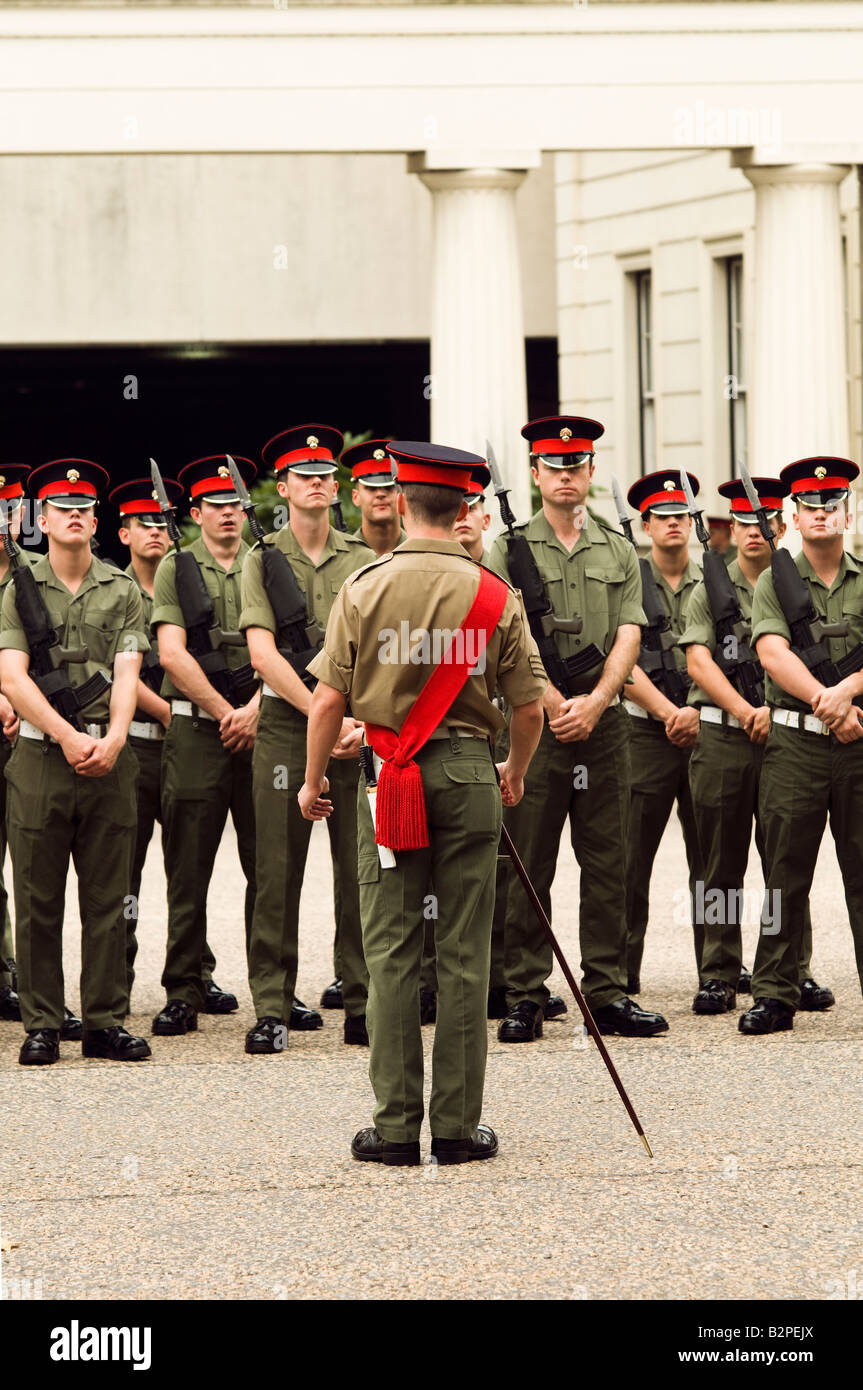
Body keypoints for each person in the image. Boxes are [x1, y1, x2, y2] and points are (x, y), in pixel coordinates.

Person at [299, 440, 546, 1164]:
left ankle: (397, 1127)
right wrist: (514, 770)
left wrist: (312, 781)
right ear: (466, 508)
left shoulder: (364, 586)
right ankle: (459, 1130)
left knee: (390, 953)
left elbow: (325, 702)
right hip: (470, 774)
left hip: (387, 778)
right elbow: (527, 708)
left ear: (402, 502)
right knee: (467, 953)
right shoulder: (496, 595)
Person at [489, 416, 666, 1040]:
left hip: (607, 726)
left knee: (610, 860)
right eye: (554, 467)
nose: (567, 476)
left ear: (590, 472)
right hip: (535, 729)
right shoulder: (507, 548)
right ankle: (526, 994)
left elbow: (629, 632)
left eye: (577, 466)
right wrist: (558, 701)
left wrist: (595, 701)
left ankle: (607, 992)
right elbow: (503, 638)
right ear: (535, 475)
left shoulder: (618, 548)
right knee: (528, 861)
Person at [0, 459, 151, 1065]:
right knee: (38, 896)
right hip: (40, 756)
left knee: (109, 897)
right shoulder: (17, 589)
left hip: (109, 757)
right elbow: (11, 676)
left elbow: (128, 671)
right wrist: (66, 735)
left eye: (86, 510)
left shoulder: (124, 590)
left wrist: (115, 736)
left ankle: (104, 1021)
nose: (76, 518)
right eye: (63, 510)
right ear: (42, 519)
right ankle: (41, 1021)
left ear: (97, 520)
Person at [240, 425, 373, 1053]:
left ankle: (362, 1000)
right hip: (290, 730)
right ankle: (271, 1005)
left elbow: (381, 650)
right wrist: (326, 712)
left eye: (325, 473)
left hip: (354, 731)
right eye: (303, 474)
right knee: (276, 869)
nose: (316, 482)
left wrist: (357, 724)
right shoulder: (260, 557)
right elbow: (262, 654)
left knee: (360, 869)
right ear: (285, 488)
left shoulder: (364, 557)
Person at [680, 476, 834, 1015]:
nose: (755, 532)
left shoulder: (794, 584)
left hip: (785, 736)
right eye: (745, 523)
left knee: (785, 860)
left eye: (765, 522)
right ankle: (719, 971)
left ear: (780, 524)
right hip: (725, 733)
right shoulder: (709, 586)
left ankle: (793, 967)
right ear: (733, 528)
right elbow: (696, 659)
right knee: (718, 860)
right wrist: (747, 711)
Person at [742, 456, 863, 1034]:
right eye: (811, 507)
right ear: (794, 515)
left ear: (847, 511)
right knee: (784, 870)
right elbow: (771, 652)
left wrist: (846, 693)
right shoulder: (773, 578)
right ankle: (774, 992)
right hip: (797, 744)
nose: (822, 514)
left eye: (832, 504)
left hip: (858, 743)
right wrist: (826, 701)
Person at [150, 455, 260, 1035]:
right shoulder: (176, 564)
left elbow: (294, 648)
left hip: (264, 727)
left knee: (269, 866)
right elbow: (171, 653)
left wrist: (255, 711)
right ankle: (184, 989)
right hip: (198, 731)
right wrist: (227, 713)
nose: (226, 514)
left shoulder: (267, 562)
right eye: (214, 506)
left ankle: (273, 992)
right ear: (195, 512)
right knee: (187, 867)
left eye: (233, 505)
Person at [623, 471, 706, 994]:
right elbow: (617, 659)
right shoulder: (629, 581)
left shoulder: (714, 583)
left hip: (707, 734)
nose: (673, 522)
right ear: (647, 526)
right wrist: (665, 712)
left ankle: (720, 966)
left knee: (713, 859)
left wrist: (694, 712)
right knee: (630, 859)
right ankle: (619, 968)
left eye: (680, 515)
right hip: (644, 737)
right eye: (662, 516)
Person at [110, 477, 180, 1014]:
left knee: (189, 869)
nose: (156, 531)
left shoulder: (188, 584)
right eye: (145, 524)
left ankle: (192, 976)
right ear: (125, 533)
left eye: (162, 522)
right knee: (123, 873)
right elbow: (120, 673)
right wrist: (170, 713)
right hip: (137, 745)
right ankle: (118, 978)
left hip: (186, 746)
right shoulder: (114, 590)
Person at [346, 440, 406, 558]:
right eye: (371, 488)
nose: (380, 494)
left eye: (389, 487)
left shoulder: (418, 553)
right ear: (355, 497)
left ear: (402, 494)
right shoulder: (342, 559)